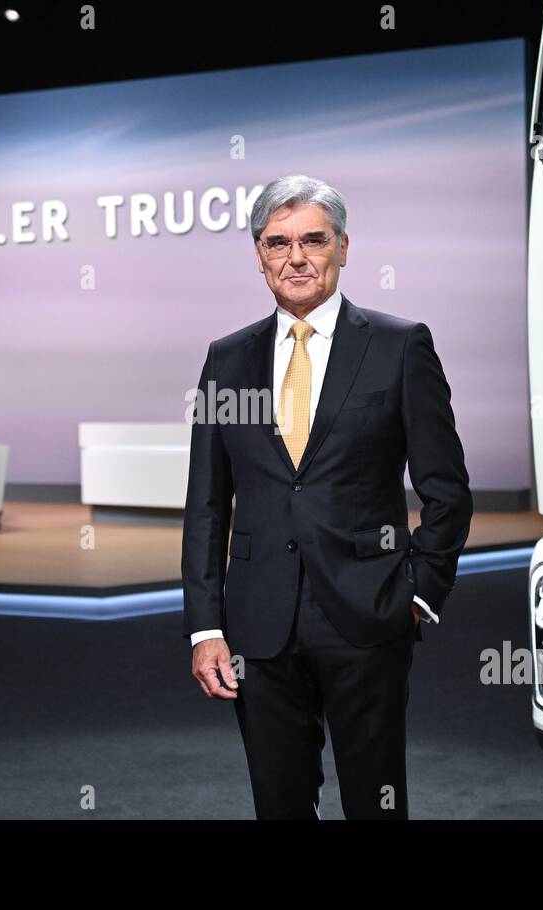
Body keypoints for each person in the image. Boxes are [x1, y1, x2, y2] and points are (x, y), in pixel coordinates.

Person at [181, 174, 473, 819]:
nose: (296, 257)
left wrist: (419, 593)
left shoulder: (400, 345)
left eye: (314, 239)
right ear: (258, 255)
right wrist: (205, 625)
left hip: (368, 615)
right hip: (257, 624)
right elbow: (206, 502)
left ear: (344, 247)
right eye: (276, 242)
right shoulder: (226, 359)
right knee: (280, 805)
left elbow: (446, 489)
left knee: (375, 804)